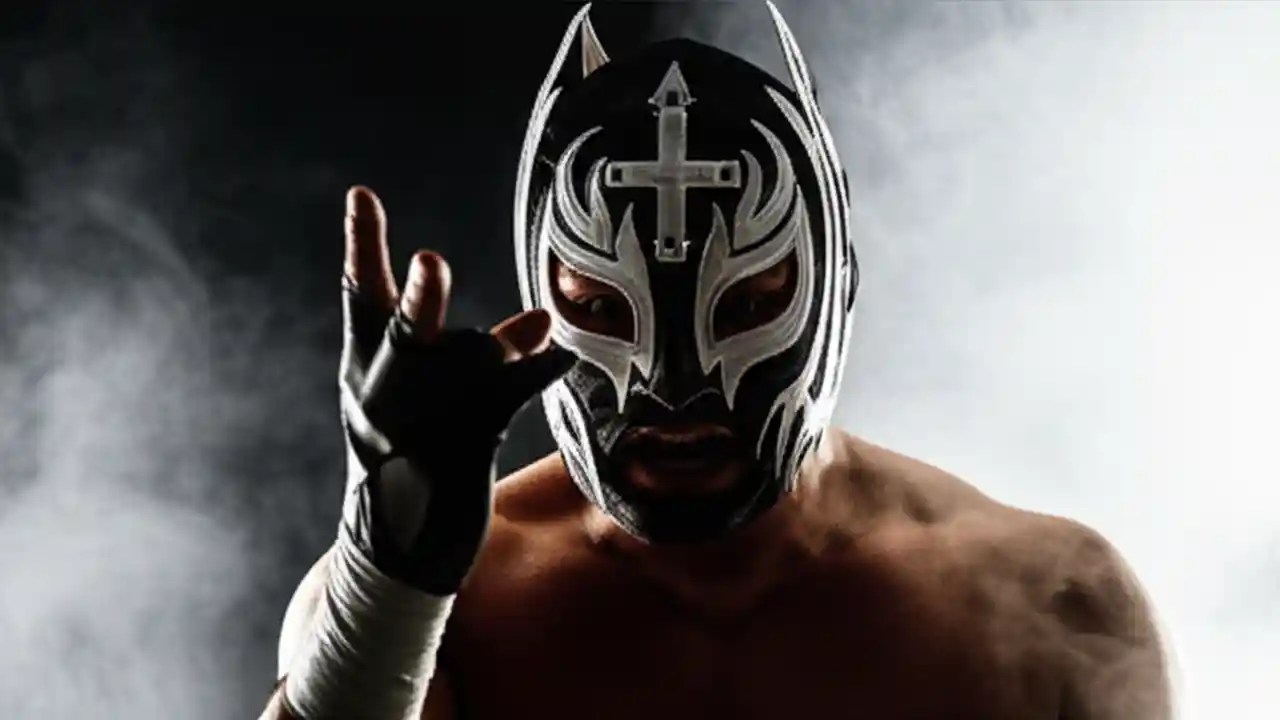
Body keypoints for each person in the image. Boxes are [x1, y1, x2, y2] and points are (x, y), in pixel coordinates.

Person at [260, 4, 1173, 719]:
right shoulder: (447, 610)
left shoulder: (1052, 599)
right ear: (540, 294)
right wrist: (390, 583)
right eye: (602, 306)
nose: (673, 386)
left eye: (744, 303)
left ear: (835, 284)